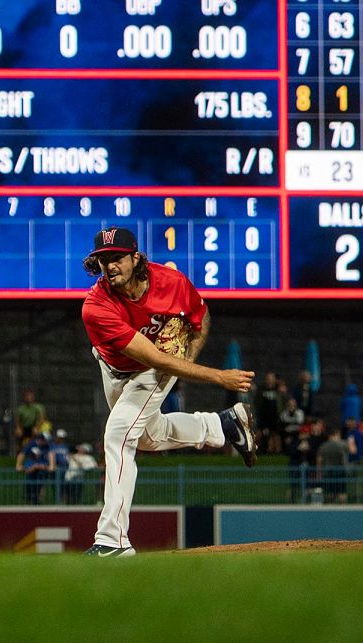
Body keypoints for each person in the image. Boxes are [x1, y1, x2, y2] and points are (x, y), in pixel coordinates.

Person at [79, 226, 256, 557]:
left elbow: (199, 319)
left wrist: (186, 358)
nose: (110, 266)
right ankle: (223, 425)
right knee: (147, 436)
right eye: (104, 260)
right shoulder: (96, 306)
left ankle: (112, 541)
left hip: (155, 368)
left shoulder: (172, 283)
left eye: (117, 257)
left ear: (136, 257)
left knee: (118, 435)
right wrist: (219, 377)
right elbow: (151, 354)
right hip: (119, 367)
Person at [254, 372, 286, 454]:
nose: (269, 380)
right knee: (259, 434)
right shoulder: (261, 389)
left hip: (275, 416)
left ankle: (276, 451)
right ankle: (257, 451)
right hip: (263, 416)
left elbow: (283, 401)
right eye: (268, 378)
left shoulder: (278, 389)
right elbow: (257, 402)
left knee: (275, 434)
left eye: (271, 378)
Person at [16, 432, 51, 504]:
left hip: (42, 470)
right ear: (41, 439)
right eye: (45, 440)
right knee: (30, 486)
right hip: (32, 470)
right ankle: (29, 501)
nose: (47, 442)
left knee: (41, 486)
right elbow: (22, 454)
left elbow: (50, 456)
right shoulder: (32, 444)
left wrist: (47, 466)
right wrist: (18, 465)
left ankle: (39, 502)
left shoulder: (47, 446)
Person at [317, 427, 349, 504]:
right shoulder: (342, 444)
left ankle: (329, 507)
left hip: (327, 472)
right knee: (341, 492)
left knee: (329, 493)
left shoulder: (323, 446)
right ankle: (343, 508)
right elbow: (350, 453)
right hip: (340, 472)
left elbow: (319, 460)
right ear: (335, 435)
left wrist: (319, 472)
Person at [49, 429, 72, 502]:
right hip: (57, 468)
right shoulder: (52, 446)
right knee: (57, 486)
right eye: (60, 438)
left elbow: (68, 455)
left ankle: (65, 501)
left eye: (62, 438)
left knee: (65, 485)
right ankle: (58, 501)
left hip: (65, 468)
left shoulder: (65, 446)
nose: (61, 439)